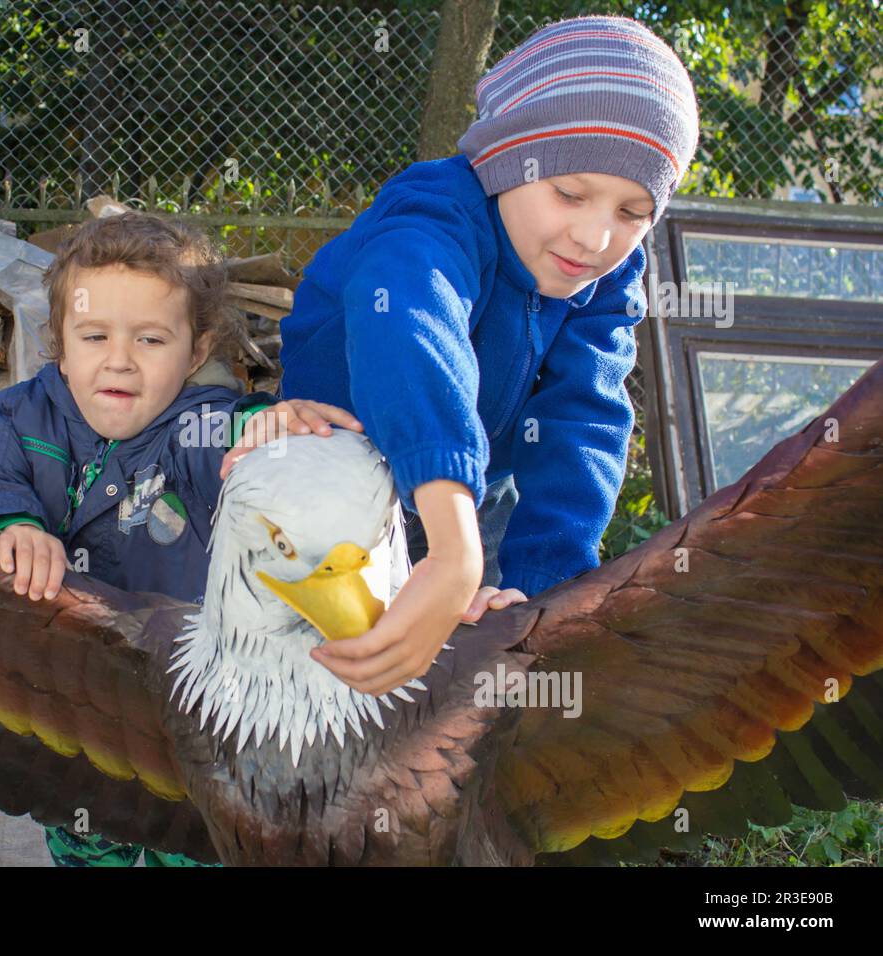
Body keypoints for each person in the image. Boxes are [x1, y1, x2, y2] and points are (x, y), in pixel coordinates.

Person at [222, 15, 699, 698]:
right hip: (341, 476)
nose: (595, 236)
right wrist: (452, 548)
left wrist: (541, 597)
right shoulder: (433, 209)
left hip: (480, 501)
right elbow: (413, 322)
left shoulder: (607, 277)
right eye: (570, 192)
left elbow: (583, 420)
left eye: (634, 211)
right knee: (314, 688)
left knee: (466, 687)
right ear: (507, 158)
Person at [0, 211, 354, 865]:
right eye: (93, 335)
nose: (119, 360)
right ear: (59, 338)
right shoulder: (27, 413)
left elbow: (231, 434)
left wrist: (269, 425)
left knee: (191, 839)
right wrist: (15, 523)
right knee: (81, 826)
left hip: (187, 706)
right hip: (70, 691)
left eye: (150, 340)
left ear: (195, 352)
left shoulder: (192, 425)